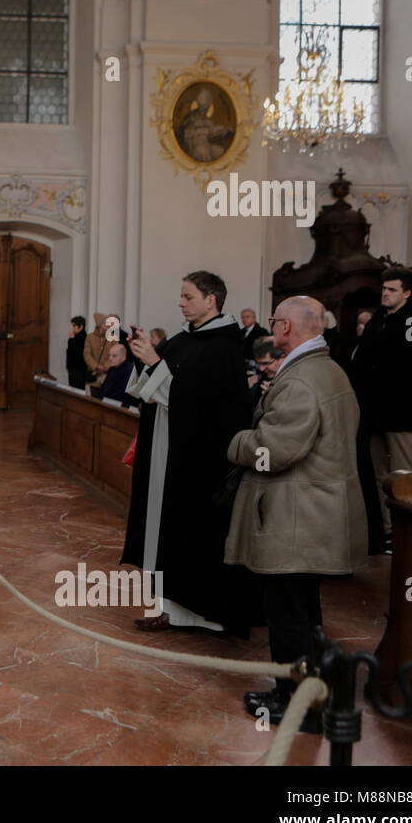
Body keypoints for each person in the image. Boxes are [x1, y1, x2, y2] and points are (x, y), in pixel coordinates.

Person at [225, 297, 365, 733]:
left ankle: (296, 703)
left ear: (285, 327)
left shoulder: (302, 380)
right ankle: (301, 691)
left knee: (287, 613)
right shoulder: (328, 369)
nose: (271, 329)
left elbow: (273, 452)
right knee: (303, 611)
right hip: (313, 511)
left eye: (273, 323)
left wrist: (239, 443)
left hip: (298, 516)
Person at [121, 270, 253, 636]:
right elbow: (160, 383)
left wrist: (154, 363)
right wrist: (143, 356)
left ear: (211, 300)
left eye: (188, 296)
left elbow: (203, 402)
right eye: (181, 296)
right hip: (168, 447)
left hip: (200, 461)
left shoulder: (225, 346)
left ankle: (201, 614)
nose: (180, 303)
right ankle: (169, 609)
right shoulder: (184, 339)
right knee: (167, 530)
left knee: (192, 532)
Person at [349, 267, 412, 553]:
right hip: (374, 412)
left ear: (406, 293)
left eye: (392, 289)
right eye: (384, 289)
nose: (385, 293)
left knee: (405, 475)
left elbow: (411, 366)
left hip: (400, 411)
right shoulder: (377, 321)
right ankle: (385, 530)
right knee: (378, 475)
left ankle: (411, 534)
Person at [93, 343, 137, 408]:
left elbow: (122, 395)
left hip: (119, 408)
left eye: (114, 356)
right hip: (107, 404)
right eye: (109, 355)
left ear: (123, 357)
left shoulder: (129, 371)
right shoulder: (112, 369)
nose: (110, 359)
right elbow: (104, 389)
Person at [247, 336, 284, 406]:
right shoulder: (262, 379)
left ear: (283, 357)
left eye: (265, 363)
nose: (261, 369)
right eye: (259, 364)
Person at [66, 316, 88, 390]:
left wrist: (71, 340)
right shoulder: (76, 337)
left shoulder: (83, 338)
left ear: (81, 326)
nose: (73, 329)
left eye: (74, 326)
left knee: (77, 390)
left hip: (79, 370)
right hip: (73, 370)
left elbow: (74, 352)